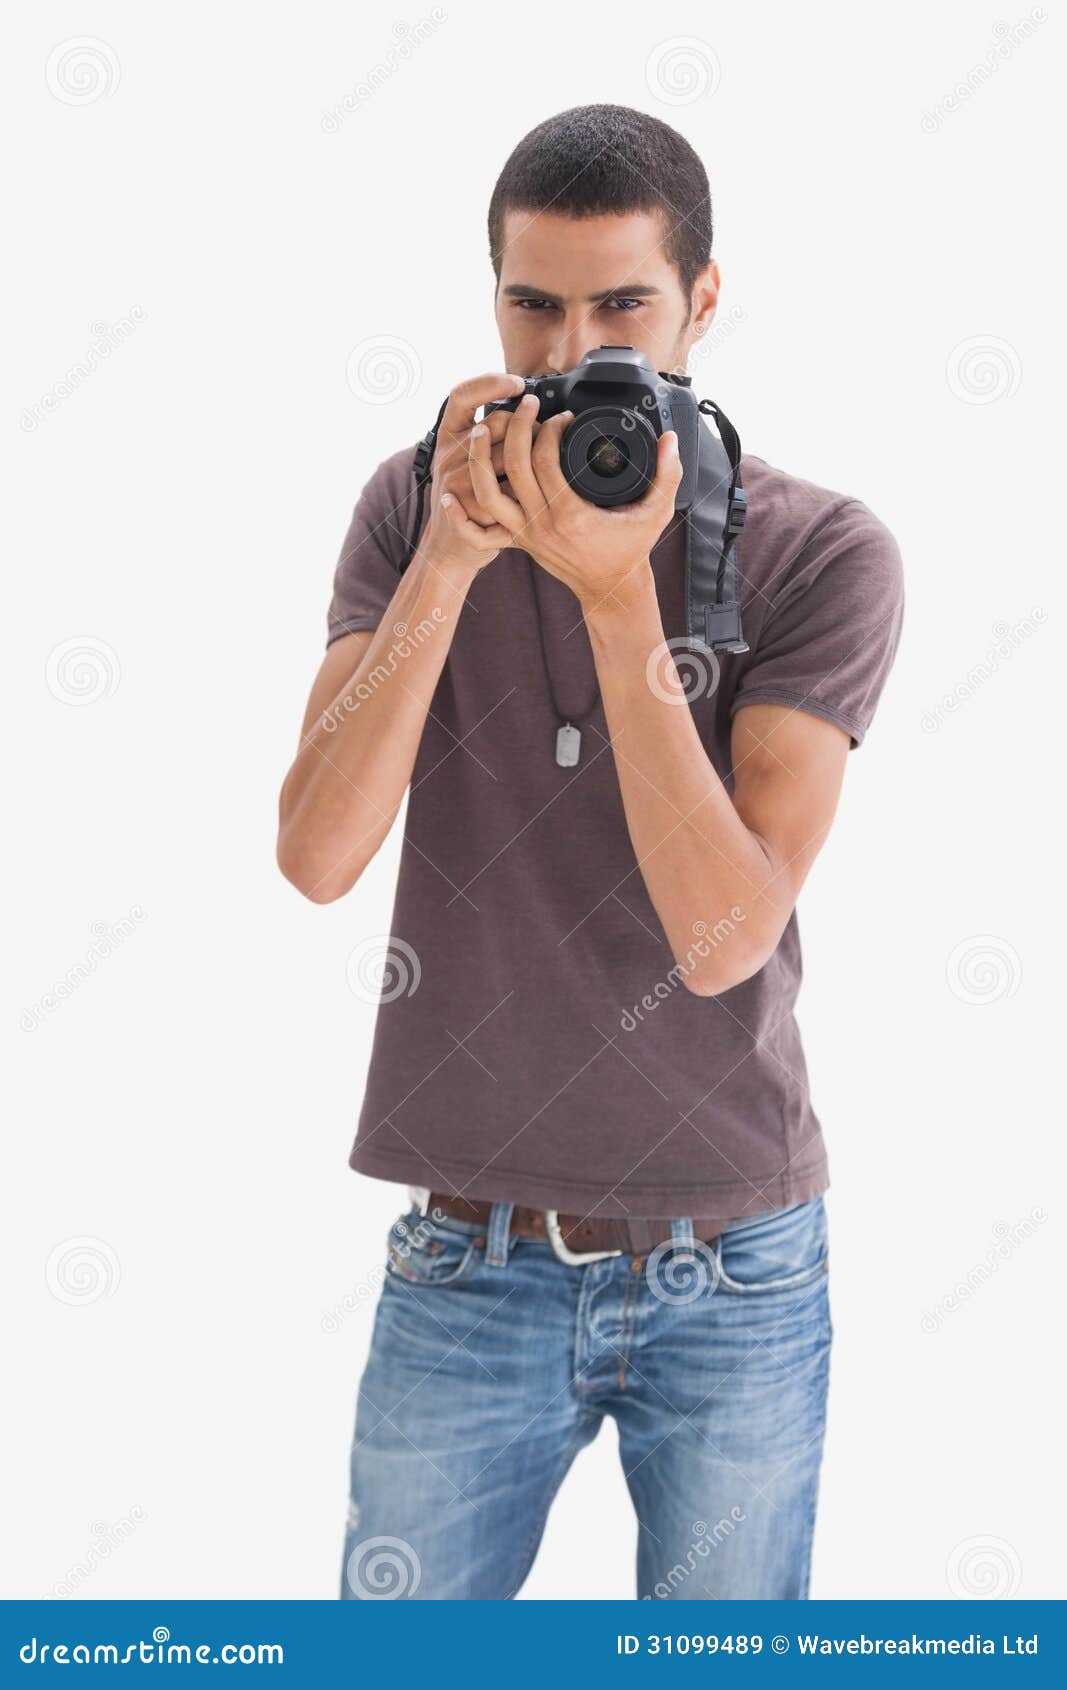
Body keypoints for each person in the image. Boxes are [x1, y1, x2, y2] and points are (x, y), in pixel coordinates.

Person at [277, 103, 904, 1600]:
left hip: (736, 1264)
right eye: (534, 306)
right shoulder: (415, 504)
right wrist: (448, 553)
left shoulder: (823, 552)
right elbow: (314, 852)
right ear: (492, 300)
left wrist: (627, 604)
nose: (574, 355)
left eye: (621, 304)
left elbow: (721, 936)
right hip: (466, 1256)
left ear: (700, 300)